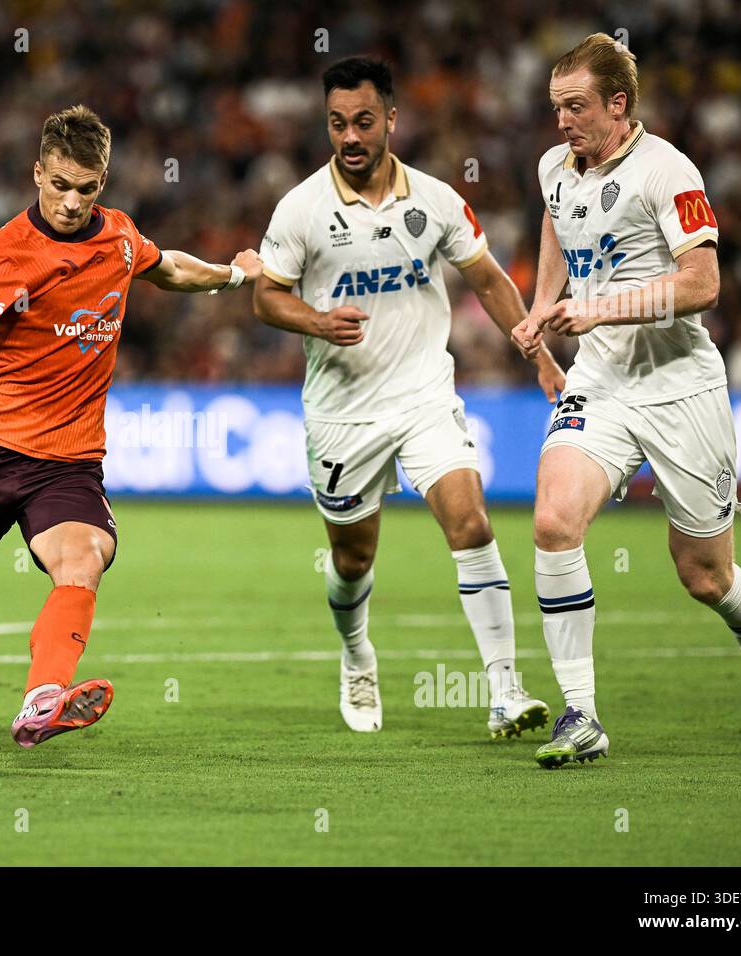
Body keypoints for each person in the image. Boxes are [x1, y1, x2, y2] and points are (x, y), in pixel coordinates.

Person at [0, 105, 262, 748]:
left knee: (85, 556)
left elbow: (167, 267)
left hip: (68, 460)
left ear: (104, 182)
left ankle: (43, 698)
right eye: (59, 185)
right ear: (37, 172)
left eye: (85, 189)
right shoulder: (4, 257)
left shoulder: (118, 238)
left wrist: (232, 275)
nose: (70, 202)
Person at [511, 33, 741, 767]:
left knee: (705, 575)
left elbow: (702, 284)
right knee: (552, 520)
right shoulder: (556, 166)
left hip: (679, 386)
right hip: (600, 382)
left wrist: (598, 308)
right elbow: (555, 219)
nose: (563, 123)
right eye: (555, 109)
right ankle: (581, 715)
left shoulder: (668, 171)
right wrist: (546, 304)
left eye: (576, 107)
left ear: (618, 104)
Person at [254, 57, 564, 737]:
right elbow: (265, 295)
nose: (350, 136)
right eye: (337, 123)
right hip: (342, 413)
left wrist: (538, 353)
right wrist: (316, 321)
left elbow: (485, 278)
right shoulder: (302, 209)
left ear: (392, 118)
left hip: (424, 397)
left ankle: (506, 690)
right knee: (352, 559)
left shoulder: (436, 200)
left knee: (472, 523)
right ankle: (357, 653)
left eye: (363, 121)